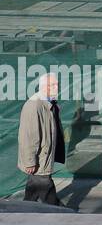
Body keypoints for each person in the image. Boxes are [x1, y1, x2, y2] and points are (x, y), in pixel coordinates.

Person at [17, 72, 64, 206]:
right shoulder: (34, 105)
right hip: (39, 159)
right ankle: (61, 213)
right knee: (47, 190)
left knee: (33, 192)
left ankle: (25, 211)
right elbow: (28, 137)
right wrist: (30, 161)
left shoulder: (50, 103)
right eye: (52, 85)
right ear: (44, 87)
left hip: (44, 156)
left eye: (57, 84)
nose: (57, 88)